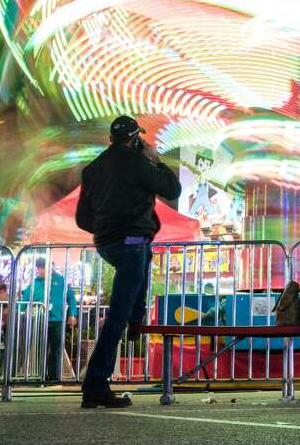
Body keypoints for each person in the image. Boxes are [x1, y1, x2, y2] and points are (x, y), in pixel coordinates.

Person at [75, 115, 180, 409]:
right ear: (135, 139)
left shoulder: (93, 169)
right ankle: (95, 384)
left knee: (144, 256)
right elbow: (173, 189)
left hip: (107, 245)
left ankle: (136, 315)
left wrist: (107, 229)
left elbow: (83, 218)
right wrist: (154, 159)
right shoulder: (138, 163)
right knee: (116, 317)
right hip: (132, 242)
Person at [17, 257, 80, 383]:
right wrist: (16, 311)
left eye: (42, 268)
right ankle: (40, 376)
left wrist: (73, 314)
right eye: (39, 268)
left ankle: (54, 377)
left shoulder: (61, 280)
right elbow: (23, 301)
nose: (40, 271)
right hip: (40, 320)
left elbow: (72, 299)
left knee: (56, 349)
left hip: (57, 320)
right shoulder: (35, 283)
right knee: (41, 348)